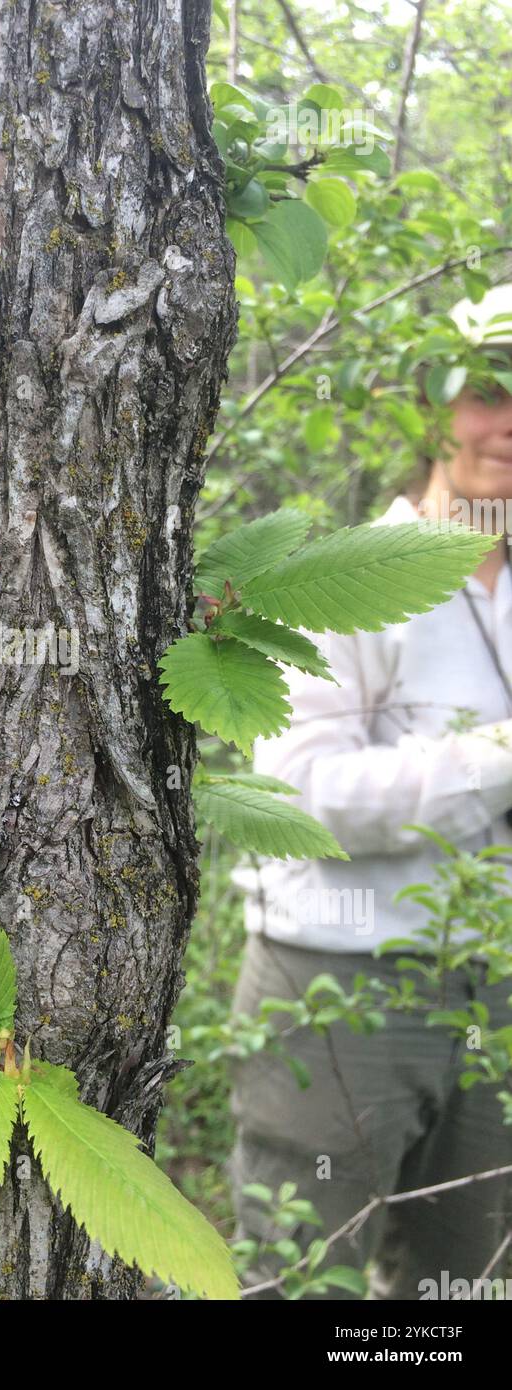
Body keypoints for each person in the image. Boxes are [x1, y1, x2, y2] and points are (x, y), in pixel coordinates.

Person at [228, 285, 512, 1300]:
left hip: (498, 994)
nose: (505, 421)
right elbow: (295, 793)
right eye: (486, 389)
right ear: (431, 404)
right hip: (339, 984)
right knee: (299, 1273)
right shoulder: (342, 577)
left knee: (465, 1281)